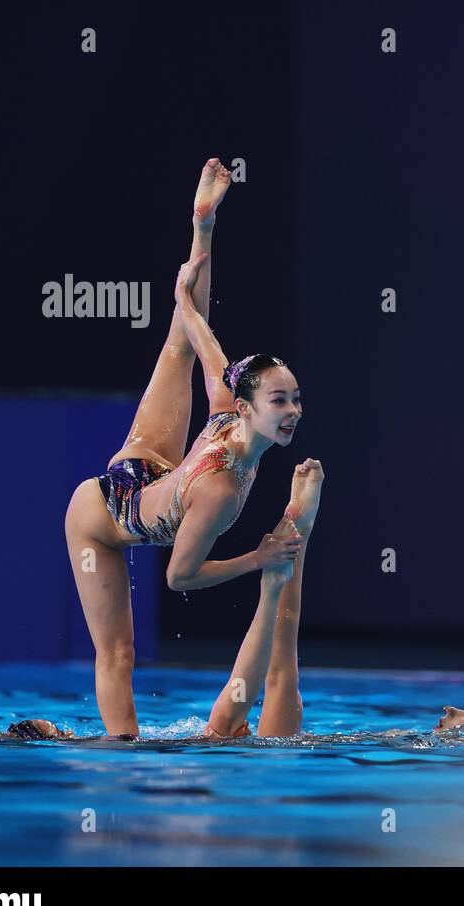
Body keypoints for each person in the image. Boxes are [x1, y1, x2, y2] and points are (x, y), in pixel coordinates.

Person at [0, 462, 464, 742]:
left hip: (253, 750)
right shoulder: (416, 744)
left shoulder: (427, 751)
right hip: (287, 750)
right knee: (283, 666)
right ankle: (298, 532)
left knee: (238, 706)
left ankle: (286, 553)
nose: (452, 709)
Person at [63, 158, 305, 738]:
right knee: (118, 655)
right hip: (102, 517)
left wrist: (203, 232)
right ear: (249, 407)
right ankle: (121, 755)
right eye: (280, 401)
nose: (292, 411)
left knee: (180, 345)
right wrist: (258, 560)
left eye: (296, 398)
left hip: (147, 468)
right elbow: (179, 577)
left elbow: (196, 326)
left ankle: (198, 217)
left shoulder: (230, 403)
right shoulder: (221, 489)